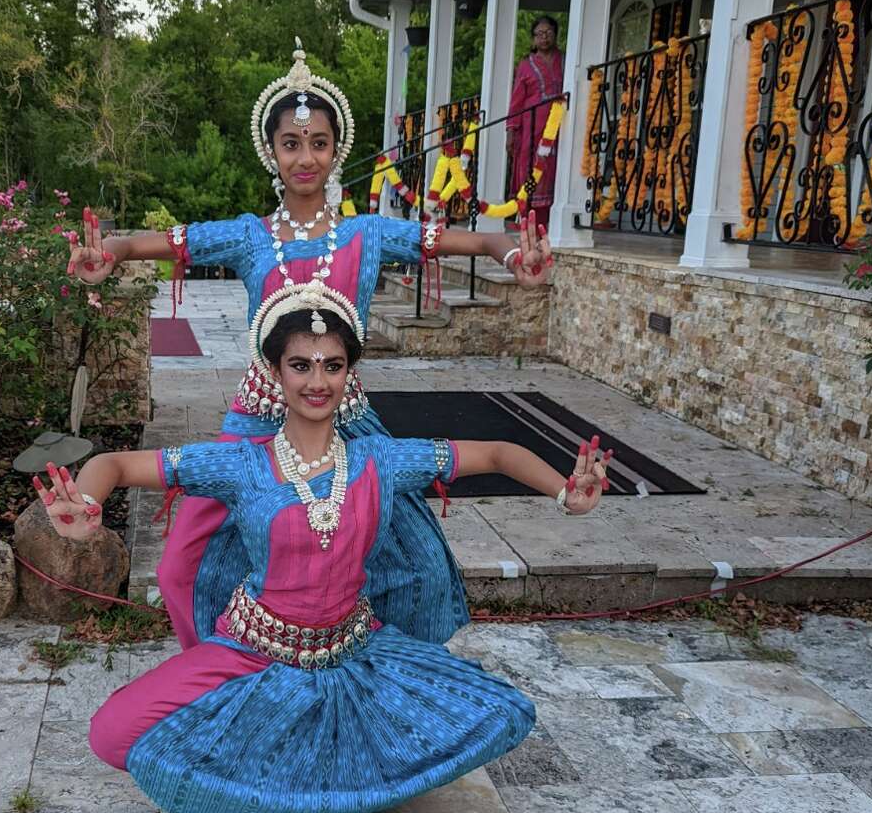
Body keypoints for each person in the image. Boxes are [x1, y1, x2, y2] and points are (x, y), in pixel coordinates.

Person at [33, 284, 610, 813]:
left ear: (349, 375)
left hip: (353, 649)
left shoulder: (382, 459)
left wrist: (565, 492)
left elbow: (497, 452)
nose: (317, 381)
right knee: (113, 735)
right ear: (274, 372)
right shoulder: (241, 464)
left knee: (498, 713)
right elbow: (115, 463)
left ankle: (322, 793)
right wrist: (87, 504)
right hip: (252, 649)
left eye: (332, 366)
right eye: (301, 365)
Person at [64, 40, 556, 651]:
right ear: (271, 151)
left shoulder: (367, 234)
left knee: (409, 568)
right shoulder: (248, 236)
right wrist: (106, 253)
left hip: (344, 422)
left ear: (337, 149)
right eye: (291, 144)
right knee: (182, 567)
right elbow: (150, 244)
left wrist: (509, 251)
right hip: (256, 421)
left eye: (318, 143)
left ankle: (365, 682)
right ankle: (232, 677)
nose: (305, 157)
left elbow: (471, 243)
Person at [507, 16, 566, 221]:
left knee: (554, 164)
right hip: (530, 126)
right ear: (533, 39)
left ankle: (549, 218)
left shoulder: (565, 60)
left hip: (560, 123)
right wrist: (511, 131)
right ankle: (528, 217)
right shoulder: (525, 65)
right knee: (531, 166)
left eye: (548, 33)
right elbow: (516, 100)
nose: (544, 37)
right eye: (539, 34)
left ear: (555, 35)